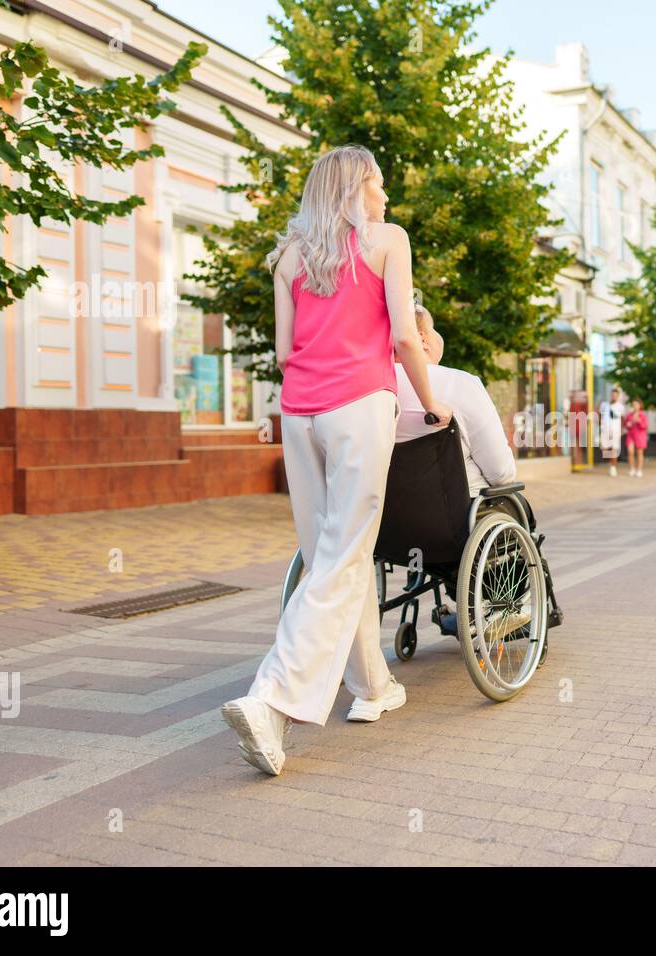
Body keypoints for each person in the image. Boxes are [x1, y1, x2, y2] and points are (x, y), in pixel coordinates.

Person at [222, 145, 451, 777]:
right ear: (355, 187)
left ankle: (374, 685)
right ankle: (270, 701)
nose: (385, 196)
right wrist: (433, 405)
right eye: (379, 183)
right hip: (356, 409)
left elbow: (284, 347)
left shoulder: (289, 257)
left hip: (298, 415)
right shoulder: (387, 241)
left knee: (331, 558)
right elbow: (406, 338)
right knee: (346, 557)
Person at [393, 304, 515, 498]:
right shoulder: (460, 383)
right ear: (423, 338)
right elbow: (500, 473)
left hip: (386, 518)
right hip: (459, 514)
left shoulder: (370, 392)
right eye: (433, 328)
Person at [599, 387, 626, 477]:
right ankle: (610, 463)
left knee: (614, 449)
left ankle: (613, 467)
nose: (614, 397)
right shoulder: (604, 405)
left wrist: (622, 429)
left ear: (618, 396)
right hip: (605, 430)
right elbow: (600, 416)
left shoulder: (621, 407)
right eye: (613, 395)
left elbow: (622, 419)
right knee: (605, 449)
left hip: (615, 431)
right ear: (610, 395)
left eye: (616, 395)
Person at [624, 399, 649, 477]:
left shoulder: (643, 415)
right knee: (630, 451)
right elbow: (626, 425)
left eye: (636, 404)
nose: (634, 406)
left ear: (639, 405)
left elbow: (645, 426)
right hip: (631, 435)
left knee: (639, 453)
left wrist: (639, 421)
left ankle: (639, 470)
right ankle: (632, 469)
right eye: (633, 404)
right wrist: (629, 424)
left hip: (640, 435)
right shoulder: (629, 415)